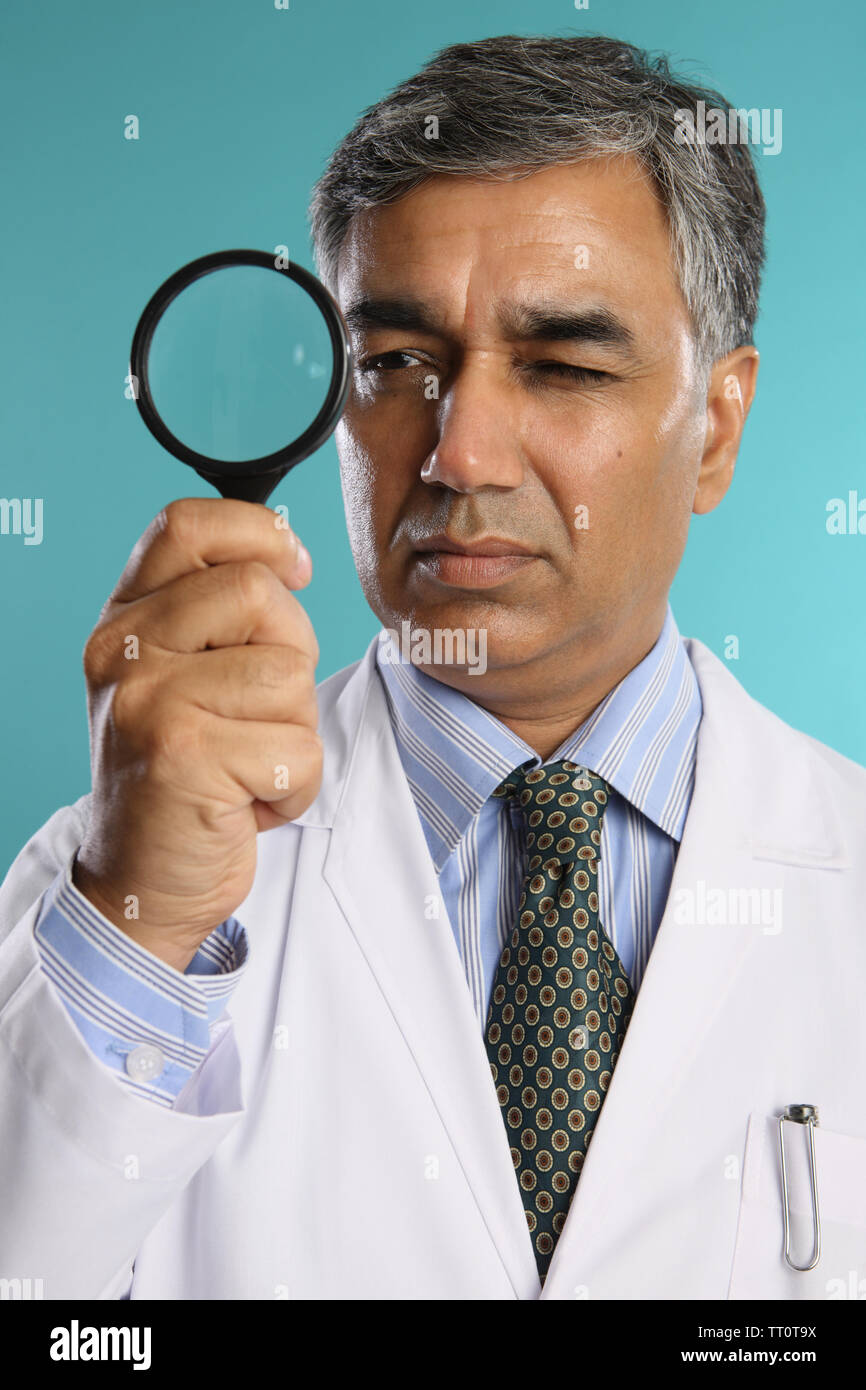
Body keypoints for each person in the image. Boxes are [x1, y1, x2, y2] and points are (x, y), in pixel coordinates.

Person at [2, 33, 864, 1302]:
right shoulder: (113, 886)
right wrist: (139, 928)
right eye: (395, 364)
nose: (459, 454)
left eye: (564, 366)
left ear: (715, 430)